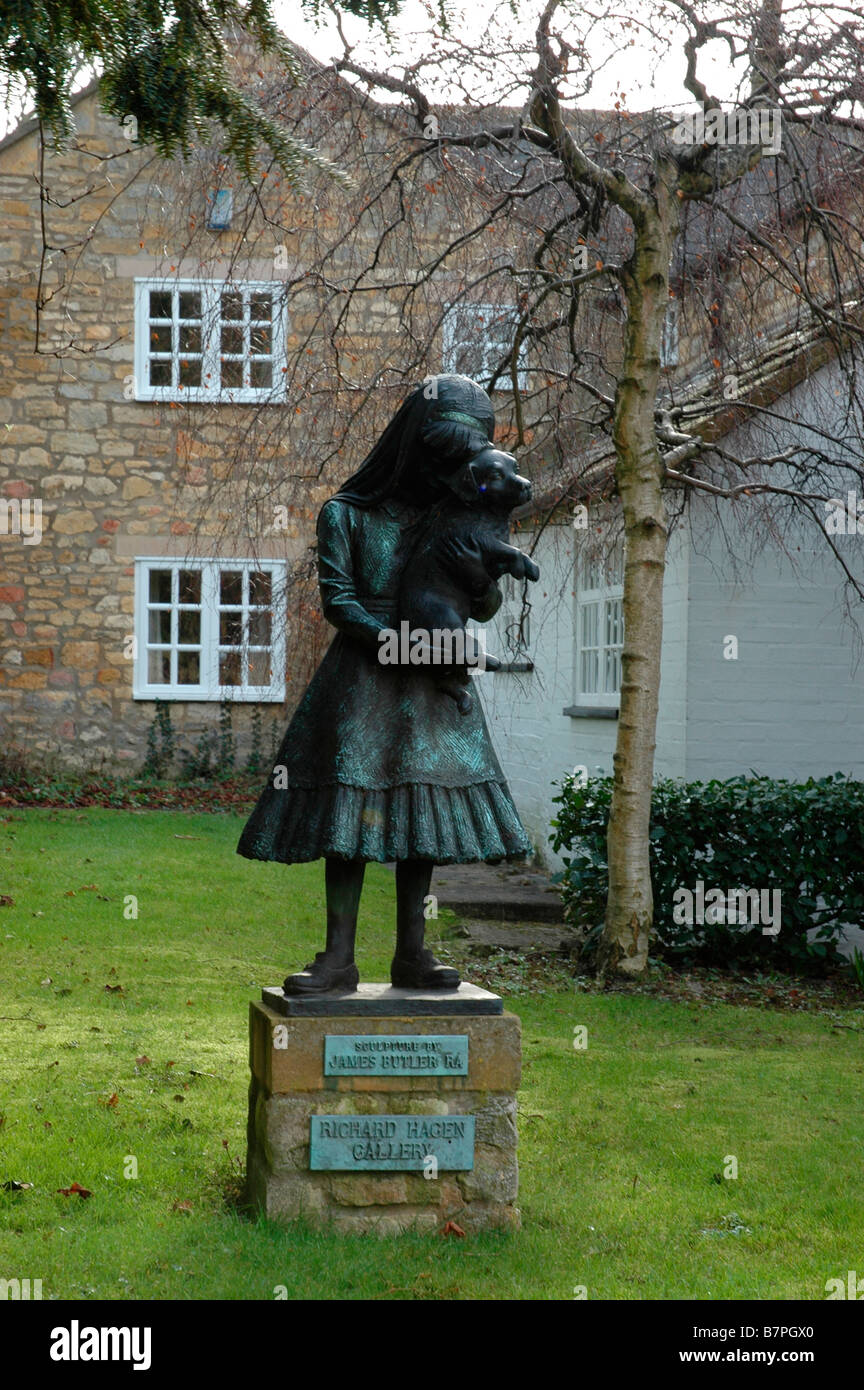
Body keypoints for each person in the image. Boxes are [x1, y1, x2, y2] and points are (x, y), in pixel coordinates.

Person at [236, 374, 534, 994]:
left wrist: (483, 583)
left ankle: (413, 954)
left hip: (430, 679)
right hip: (364, 681)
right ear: (412, 446)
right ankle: (338, 956)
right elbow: (340, 602)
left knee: (419, 818)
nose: (448, 472)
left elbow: (481, 606)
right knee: (351, 817)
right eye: (441, 457)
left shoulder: (455, 515)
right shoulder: (346, 514)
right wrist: (397, 642)